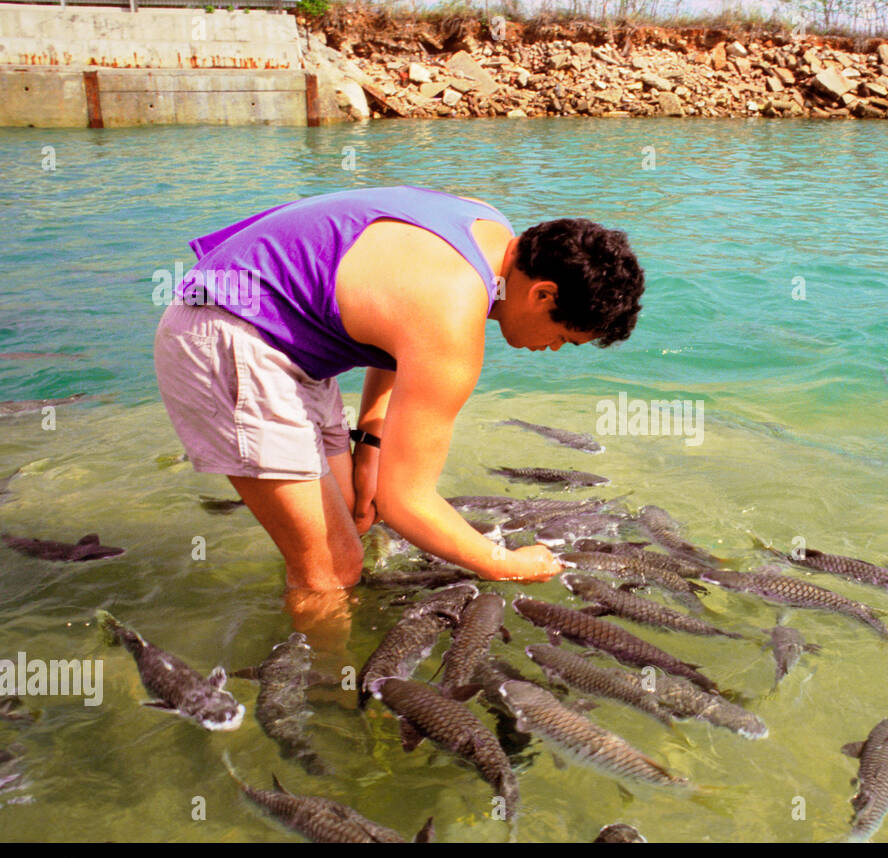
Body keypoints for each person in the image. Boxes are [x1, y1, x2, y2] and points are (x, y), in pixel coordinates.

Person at [154, 186, 644, 613]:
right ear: (542, 294)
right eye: (562, 338)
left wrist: (369, 441)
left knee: (351, 511)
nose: (551, 351)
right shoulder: (455, 313)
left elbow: (398, 323)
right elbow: (405, 502)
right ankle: (325, 699)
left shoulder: (486, 226)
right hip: (231, 334)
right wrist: (506, 563)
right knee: (333, 569)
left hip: (281, 329)